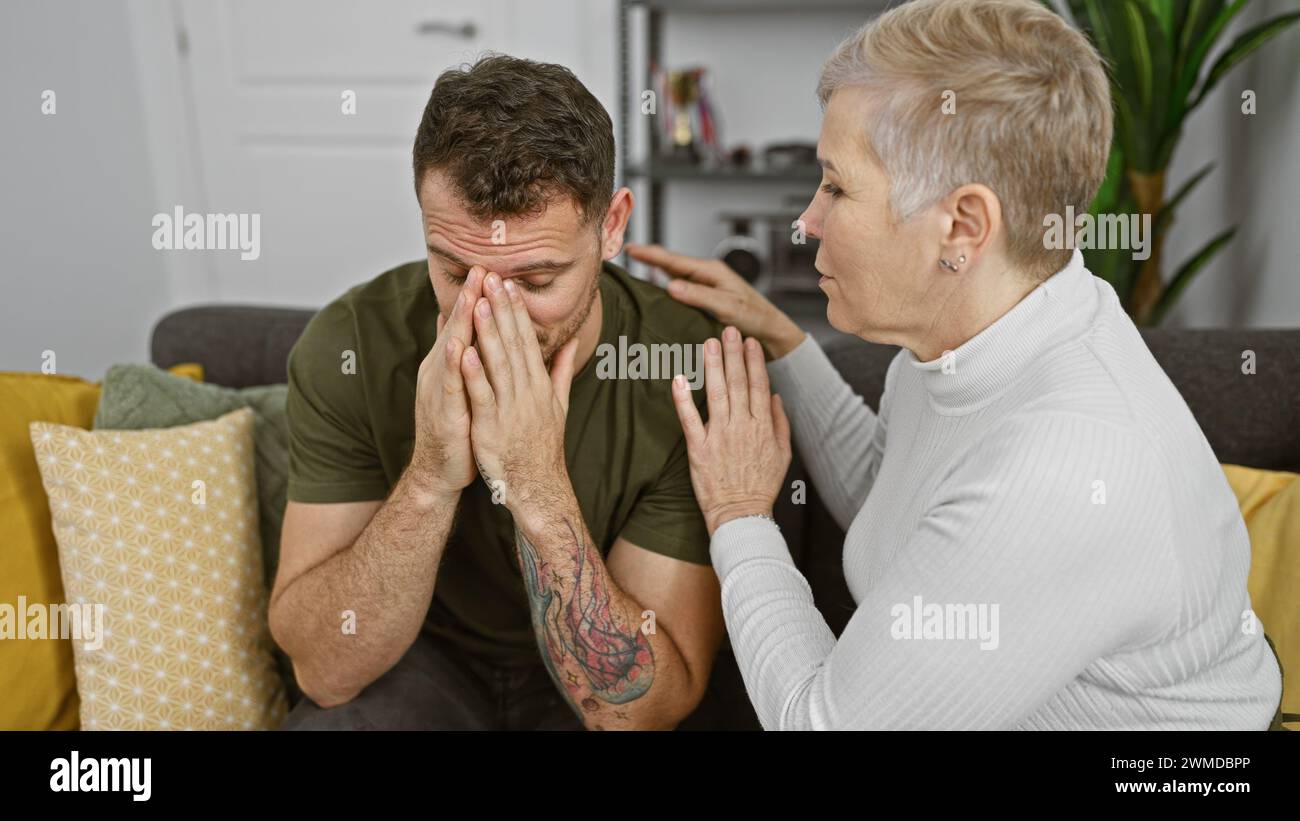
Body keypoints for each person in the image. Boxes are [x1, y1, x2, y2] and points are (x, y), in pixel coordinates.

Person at [628, 0, 1283, 730]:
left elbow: (823, 723)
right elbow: (899, 495)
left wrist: (739, 515)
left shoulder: (1063, 463)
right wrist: (781, 338)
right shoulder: (987, 327)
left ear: (963, 227)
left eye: (837, 187)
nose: (805, 220)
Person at [271, 55, 725, 731]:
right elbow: (324, 672)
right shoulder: (349, 346)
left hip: (577, 697)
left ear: (612, 226)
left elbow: (640, 711)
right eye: (455, 271)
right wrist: (429, 479)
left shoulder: (685, 365)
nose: (488, 314)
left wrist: (536, 485)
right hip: (422, 661)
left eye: (537, 281)